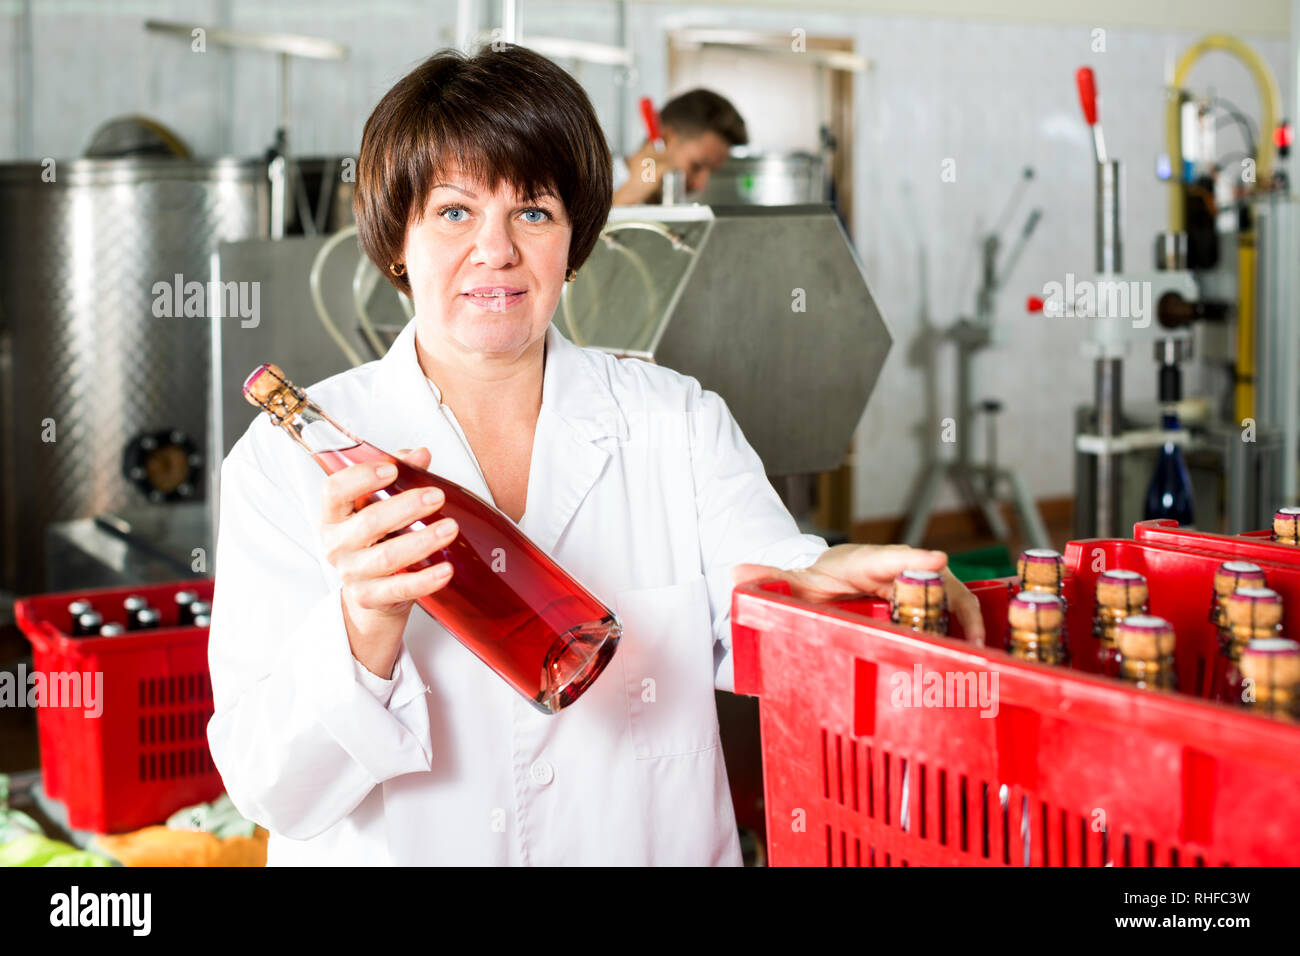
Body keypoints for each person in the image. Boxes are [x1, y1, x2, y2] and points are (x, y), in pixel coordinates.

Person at [206, 44, 984, 867]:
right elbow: (271, 787)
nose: (496, 251)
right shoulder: (287, 464)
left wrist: (822, 584)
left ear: (573, 243)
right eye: (454, 212)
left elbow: (766, 593)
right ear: (398, 237)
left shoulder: (676, 421)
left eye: (534, 212)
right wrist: (365, 627)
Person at [612, 88, 747, 205]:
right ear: (664, 139)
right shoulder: (593, 182)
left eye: (711, 172)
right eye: (696, 166)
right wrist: (624, 199)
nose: (700, 185)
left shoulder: (671, 204)